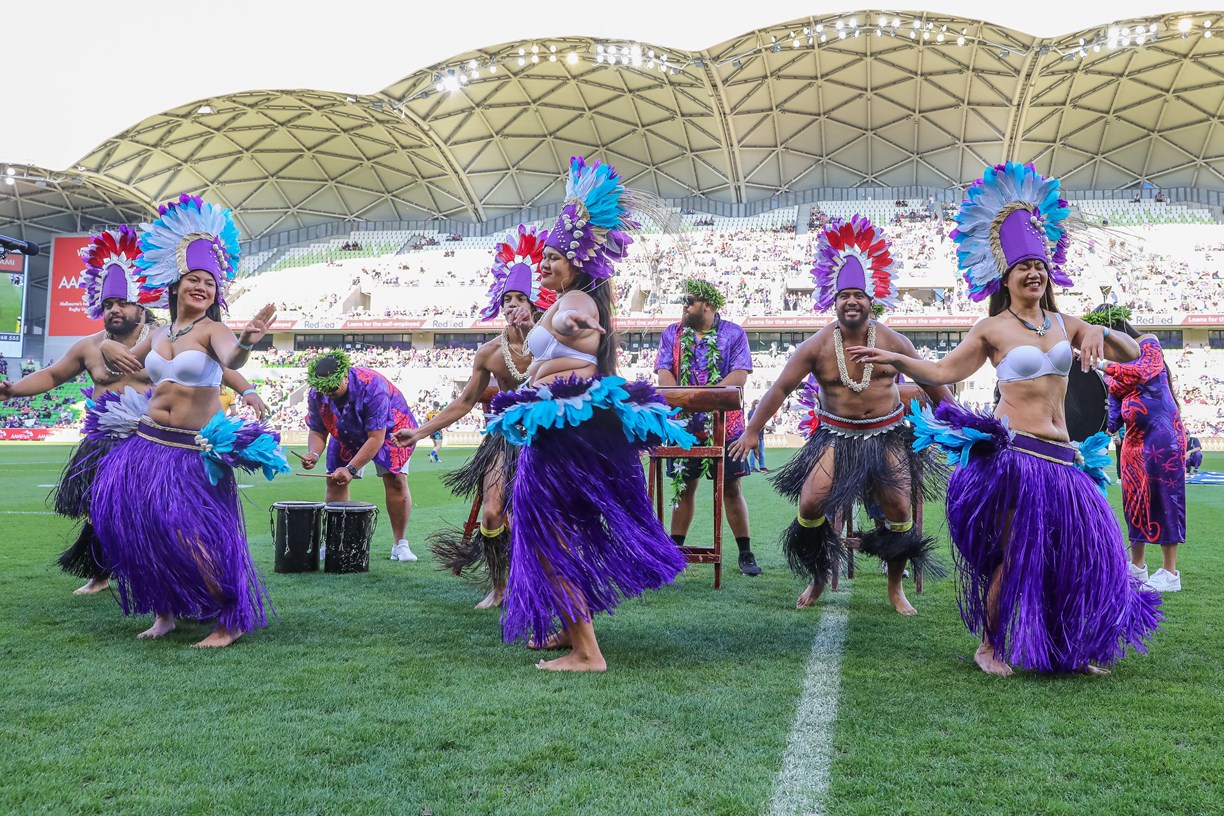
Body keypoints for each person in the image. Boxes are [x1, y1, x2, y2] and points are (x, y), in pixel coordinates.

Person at [850, 162, 1161, 675]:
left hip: (1068, 462)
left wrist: (1096, 332)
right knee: (1015, 556)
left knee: (1083, 558)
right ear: (1007, 275)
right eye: (1024, 268)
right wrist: (898, 360)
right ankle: (990, 646)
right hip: (1019, 458)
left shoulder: (1066, 322)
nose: (1034, 274)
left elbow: (1133, 351)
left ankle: (1071, 648)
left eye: (1039, 266)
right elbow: (946, 370)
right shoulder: (992, 328)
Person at [485, 156, 695, 671]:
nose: (546, 265)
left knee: (546, 530)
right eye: (546, 258)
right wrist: (552, 325)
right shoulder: (566, 297)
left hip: (561, 433)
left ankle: (587, 652)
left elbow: (584, 326)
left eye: (554, 257)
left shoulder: (578, 298)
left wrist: (578, 325)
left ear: (577, 261)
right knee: (560, 527)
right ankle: (569, 629)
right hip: (556, 426)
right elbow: (567, 334)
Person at [0, 227, 267, 596]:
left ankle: (207, 596)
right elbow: (52, 375)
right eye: (108, 304)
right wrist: (13, 389)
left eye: (122, 303)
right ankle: (116, 578)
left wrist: (248, 382)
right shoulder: (98, 346)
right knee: (108, 513)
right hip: (113, 441)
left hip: (157, 440)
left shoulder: (170, 334)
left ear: (140, 306)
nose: (114, 310)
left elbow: (224, 361)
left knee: (163, 522)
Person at [92, 194, 289, 647]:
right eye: (194, 280)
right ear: (177, 284)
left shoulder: (213, 330)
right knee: (137, 528)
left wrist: (246, 341)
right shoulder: (161, 332)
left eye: (210, 283)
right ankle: (164, 613)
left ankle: (229, 617)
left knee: (187, 534)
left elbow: (232, 356)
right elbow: (118, 365)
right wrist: (106, 347)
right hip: (145, 445)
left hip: (191, 450)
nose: (203, 287)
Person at [730, 215, 950, 615]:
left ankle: (895, 587)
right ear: (834, 301)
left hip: (888, 434)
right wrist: (751, 431)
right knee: (811, 505)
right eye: (845, 295)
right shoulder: (815, 346)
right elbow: (780, 388)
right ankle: (817, 579)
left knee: (900, 510)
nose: (852, 301)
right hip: (835, 436)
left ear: (871, 301)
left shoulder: (892, 340)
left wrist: (957, 422)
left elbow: (934, 382)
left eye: (859, 296)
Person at [395, 224, 554, 609]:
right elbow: (465, 401)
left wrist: (534, 332)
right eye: (508, 299)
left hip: (547, 439)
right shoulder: (488, 352)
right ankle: (499, 587)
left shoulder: (552, 341)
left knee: (535, 516)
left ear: (535, 305)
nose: (512, 305)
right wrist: (420, 432)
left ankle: (534, 582)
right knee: (492, 510)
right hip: (503, 439)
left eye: (521, 299)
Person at [655, 278, 759, 576]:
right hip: (683, 426)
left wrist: (702, 401)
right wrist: (689, 404)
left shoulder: (733, 333)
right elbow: (665, 377)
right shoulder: (671, 334)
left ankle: (745, 553)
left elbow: (739, 376)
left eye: (689, 301)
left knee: (731, 488)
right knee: (683, 488)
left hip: (726, 426)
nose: (683, 306)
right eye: (682, 301)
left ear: (708, 305)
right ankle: (674, 554)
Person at [1088, 306, 1187, 593]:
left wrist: (1102, 366)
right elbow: (1115, 415)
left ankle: (1170, 573)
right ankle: (1137, 567)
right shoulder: (1112, 372)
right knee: (1135, 500)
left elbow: (1145, 371)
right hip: (1133, 439)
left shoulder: (1149, 343)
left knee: (1166, 498)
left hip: (1163, 435)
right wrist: (1098, 430)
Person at [302, 350, 419, 562]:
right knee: (335, 480)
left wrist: (351, 468)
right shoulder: (317, 393)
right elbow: (318, 430)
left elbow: (375, 438)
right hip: (345, 429)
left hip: (391, 430)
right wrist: (313, 453)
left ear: (345, 376)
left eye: (332, 388)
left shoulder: (373, 386)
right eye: (323, 389)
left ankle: (400, 544)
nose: (327, 392)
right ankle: (335, 541)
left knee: (396, 480)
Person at [746, 399, 769, 473]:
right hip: (755, 435)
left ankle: (761, 466)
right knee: (754, 452)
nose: (758, 404)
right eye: (756, 403)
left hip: (760, 435)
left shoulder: (758, 411)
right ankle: (752, 467)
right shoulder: (752, 412)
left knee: (761, 452)